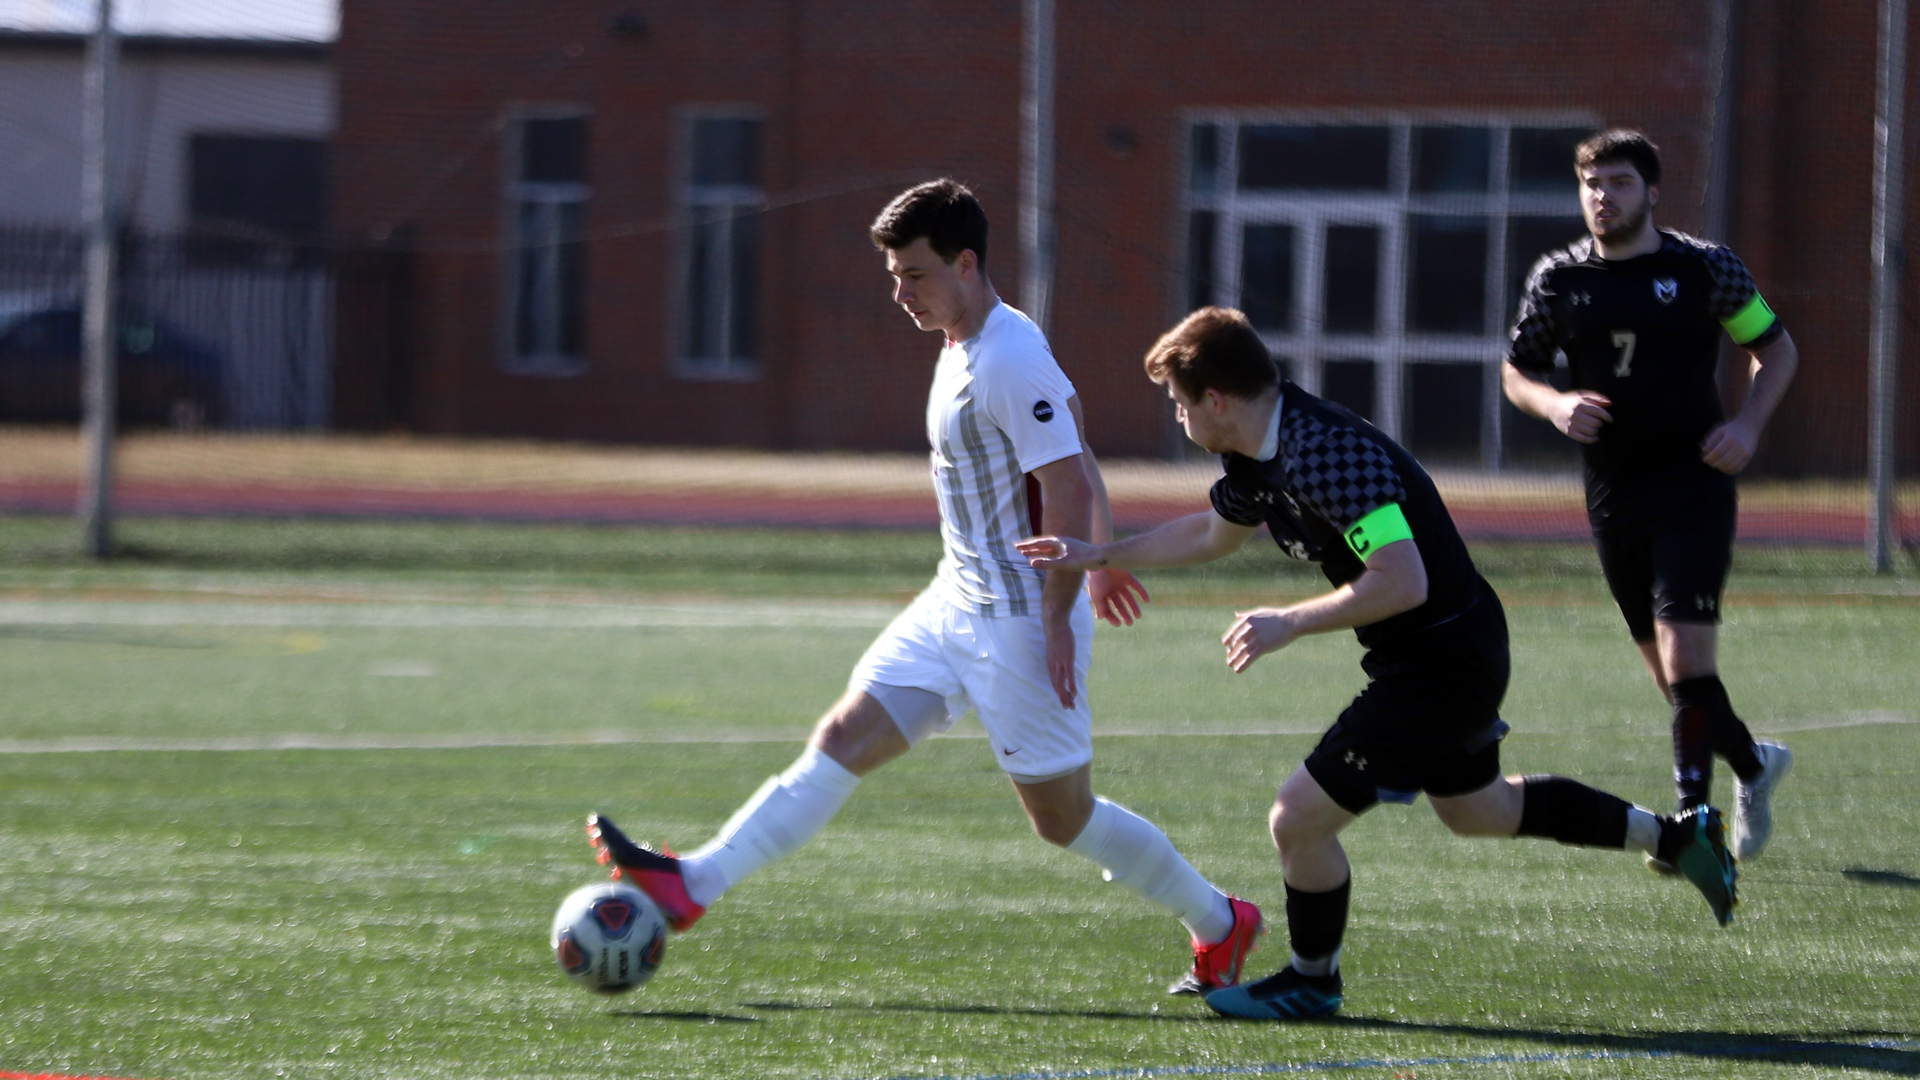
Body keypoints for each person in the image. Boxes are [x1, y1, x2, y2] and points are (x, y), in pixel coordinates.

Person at [583, 179, 1264, 997]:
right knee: (841, 738)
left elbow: (1069, 478)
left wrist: (1062, 610)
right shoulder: (965, 341)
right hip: (955, 601)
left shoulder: (1008, 357)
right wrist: (1103, 556)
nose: (900, 293)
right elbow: (1075, 452)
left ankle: (1222, 924)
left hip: (1018, 618)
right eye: (895, 276)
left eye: (914, 275)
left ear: (966, 264)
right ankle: (688, 886)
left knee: (1063, 819)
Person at [1017, 306, 1739, 1022]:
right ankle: (1678, 836)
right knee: (1482, 810)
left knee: (1297, 819)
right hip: (1441, 652)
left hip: (1443, 659)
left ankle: (1311, 980)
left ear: (1216, 399)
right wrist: (1099, 554)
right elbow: (1211, 533)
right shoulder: (1253, 453)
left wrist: (1287, 623)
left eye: (1179, 403)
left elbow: (1403, 580)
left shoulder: (1323, 452)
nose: (1177, 418)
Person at [1500, 129, 1796, 866]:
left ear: (1652, 192)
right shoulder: (1559, 279)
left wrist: (1749, 426)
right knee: (1675, 680)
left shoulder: (1703, 270)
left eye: (1621, 183)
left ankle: (1694, 820)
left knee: (1686, 656)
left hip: (1693, 483)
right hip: (1612, 496)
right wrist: (1554, 406)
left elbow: (1776, 347)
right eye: (1593, 185)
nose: (1605, 197)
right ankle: (1754, 766)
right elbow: (1518, 372)